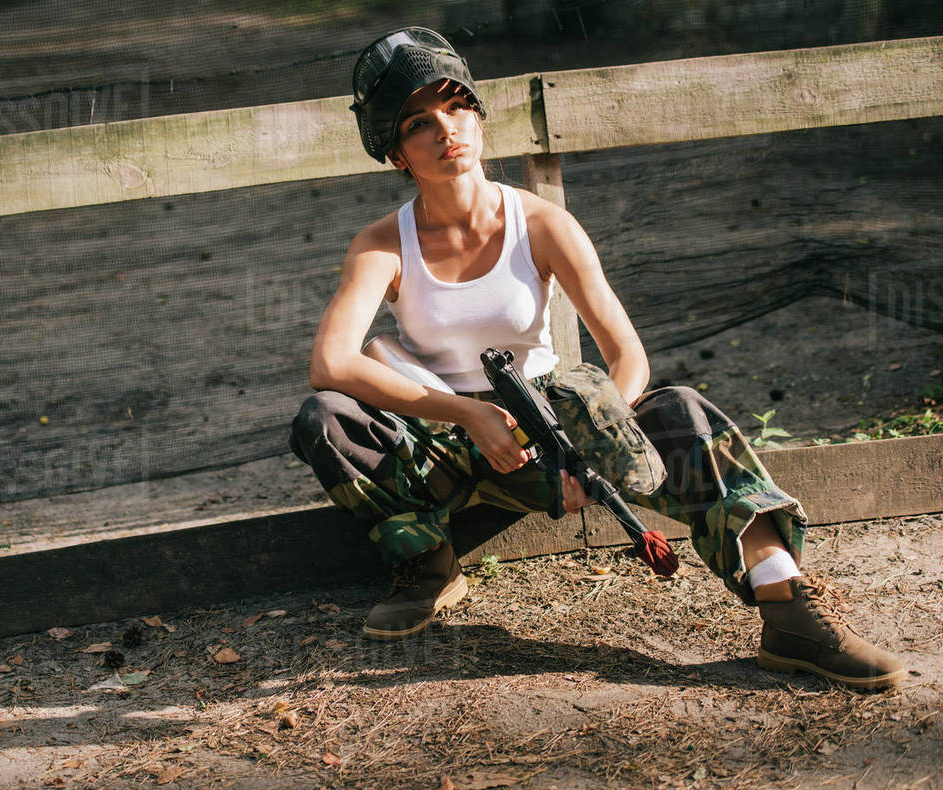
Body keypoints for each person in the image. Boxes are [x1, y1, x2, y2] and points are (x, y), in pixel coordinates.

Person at [288, 27, 905, 690]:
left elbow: (625, 353)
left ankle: (789, 609)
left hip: (550, 433)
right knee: (326, 418)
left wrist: (591, 441)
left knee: (681, 410)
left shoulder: (542, 223)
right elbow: (331, 361)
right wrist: (465, 412)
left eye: (458, 106)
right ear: (395, 153)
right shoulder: (384, 243)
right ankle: (429, 565)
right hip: (449, 441)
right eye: (419, 122)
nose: (448, 130)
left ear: (478, 115)